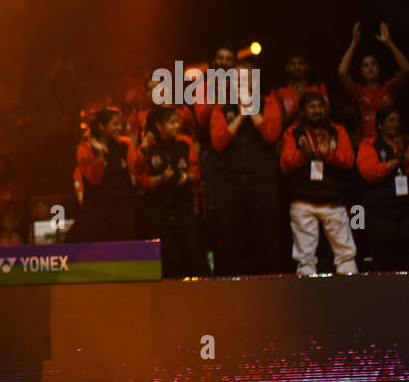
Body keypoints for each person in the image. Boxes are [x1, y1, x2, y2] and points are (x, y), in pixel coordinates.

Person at [208, 64, 282, 274]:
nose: (242, 83)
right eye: (237, 78)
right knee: (228, 235)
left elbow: (271, 135)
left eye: (247, 78)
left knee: (265, 235)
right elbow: (217, 142)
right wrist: (240, 116)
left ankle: (269, 284)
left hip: (261, 181)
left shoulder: (268, 102)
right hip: (229, 182)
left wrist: (253, 112)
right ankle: (225, 285)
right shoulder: (221, 107)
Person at [280, 91, 357, 275]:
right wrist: (302, 155)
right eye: (312, 107)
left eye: (320, 107)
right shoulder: (293, 132)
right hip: (302, 201)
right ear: (303, 111)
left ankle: (353, 294)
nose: (317, 111)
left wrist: (329, 155)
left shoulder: (337, 131)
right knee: (304, 261)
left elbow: (349, 160)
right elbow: (285, 164)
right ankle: (306, 297)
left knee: (346, 256)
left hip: (332, 199)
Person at [132, 106, 203, 277]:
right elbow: (138, 177)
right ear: (158, 125)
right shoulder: (149, 146)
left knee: (189, 249)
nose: (176, 126)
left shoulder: (185, 142)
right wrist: (160, 178)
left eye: (177, 122)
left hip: (182, 203)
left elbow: (197, 172)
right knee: (163, 253)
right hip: (157, 206)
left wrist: (186, 177)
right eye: (171, 123)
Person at [355, 105, 409, 271]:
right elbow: (368, 172)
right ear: (380, 125)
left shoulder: (406, 143)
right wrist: (395, 162)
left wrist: (404, 157)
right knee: (384, 246)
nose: (395, 124)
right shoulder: (369, 145)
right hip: (380, 208)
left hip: (405, 207)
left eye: (398, 120)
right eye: (390, 120)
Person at [338, 22, 409, 142]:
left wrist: (389, 43)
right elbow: (342, 73)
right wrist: (353, 44)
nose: (370, 68)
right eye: (365, 66)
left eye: (373, 64)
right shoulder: (358, 92)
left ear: (379, 68)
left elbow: (406, 70)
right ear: (361, 72)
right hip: (367, 142)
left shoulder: (388, 89)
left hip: (391, 141)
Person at [73, 107, 136, 241]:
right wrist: (100, 156)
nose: (119, 128)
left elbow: (136, 170)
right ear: (102, 126)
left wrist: (144, 150)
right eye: (115, 124)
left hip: (122, 207)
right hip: (98, 210)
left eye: (120, 124)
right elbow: (93, 179)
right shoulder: (85, 148)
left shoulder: (125, 145)